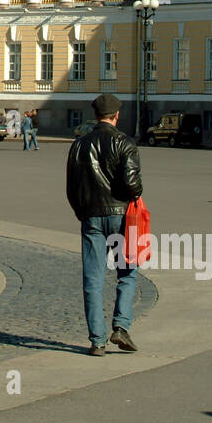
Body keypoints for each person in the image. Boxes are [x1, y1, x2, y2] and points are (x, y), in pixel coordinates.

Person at [65, 93, 143, 357]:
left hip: (91, 216)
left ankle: (97, 340)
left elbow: (71, 187)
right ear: (116, 115)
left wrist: (82, 212)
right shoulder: (124, 143)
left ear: (96, 115)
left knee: (93, 278)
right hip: (121, 216)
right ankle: (120, 326)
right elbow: (132, 184)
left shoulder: (78, 144)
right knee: (127, 271)